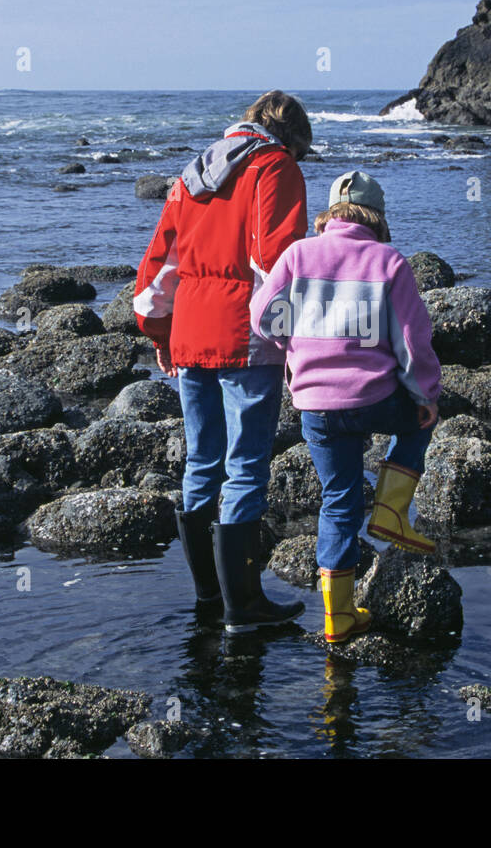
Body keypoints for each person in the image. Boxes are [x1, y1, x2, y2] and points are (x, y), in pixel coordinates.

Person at [134, 90, 312, 634]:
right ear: (291, 138)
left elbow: (160, 260)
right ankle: (245, 605)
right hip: (244, 338)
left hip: (190, 330)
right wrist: (290, 342)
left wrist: (160, 331)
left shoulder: (195, 171)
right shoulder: (273, 167)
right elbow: (276, 263)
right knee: (245, 466)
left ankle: (211, 594)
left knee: (202, 460)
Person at [249, 171, 441, 643]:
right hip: (375, 398)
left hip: (316, 404)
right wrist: (426, 396)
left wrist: (294, 339)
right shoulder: (389, 261)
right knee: (420, 422)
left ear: (330, 214)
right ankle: (391, 510)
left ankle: (338, 618)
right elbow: (413, 344)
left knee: (337, 503)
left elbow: (261, 318)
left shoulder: (297, 254)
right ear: (377, 216)